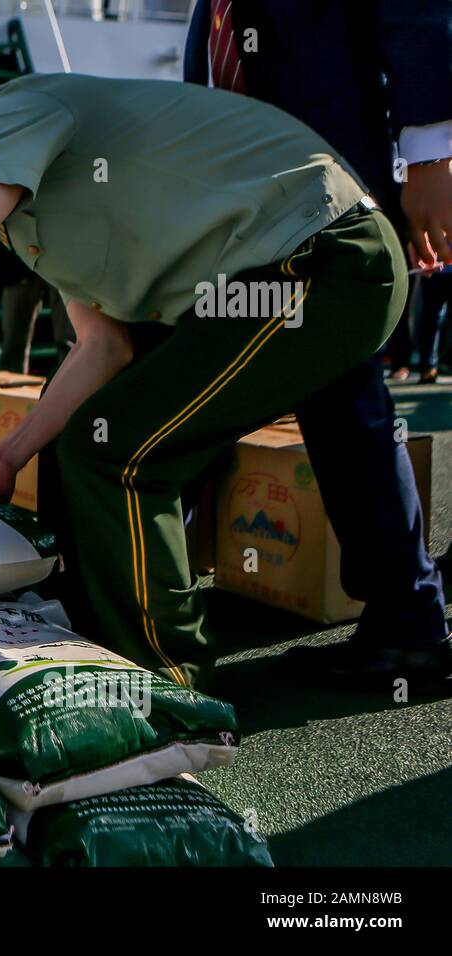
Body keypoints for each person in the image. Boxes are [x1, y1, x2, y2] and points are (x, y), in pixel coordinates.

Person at [0, 26, 446, 692]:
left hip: (323, 262)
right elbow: (105, 345)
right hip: (274, 272)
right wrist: (12, 453)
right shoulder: (29, 188)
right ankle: (96, 636)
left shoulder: (11, 111)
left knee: (121, 454)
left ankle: (162, 685)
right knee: (82, 441)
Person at [185, 0, 452, 681]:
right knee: (325, 388)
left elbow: (414, 11)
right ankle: (408, 613)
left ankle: (412, 619)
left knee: (340, 383)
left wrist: (431, 154)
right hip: (248, 202)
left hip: (325, 186)